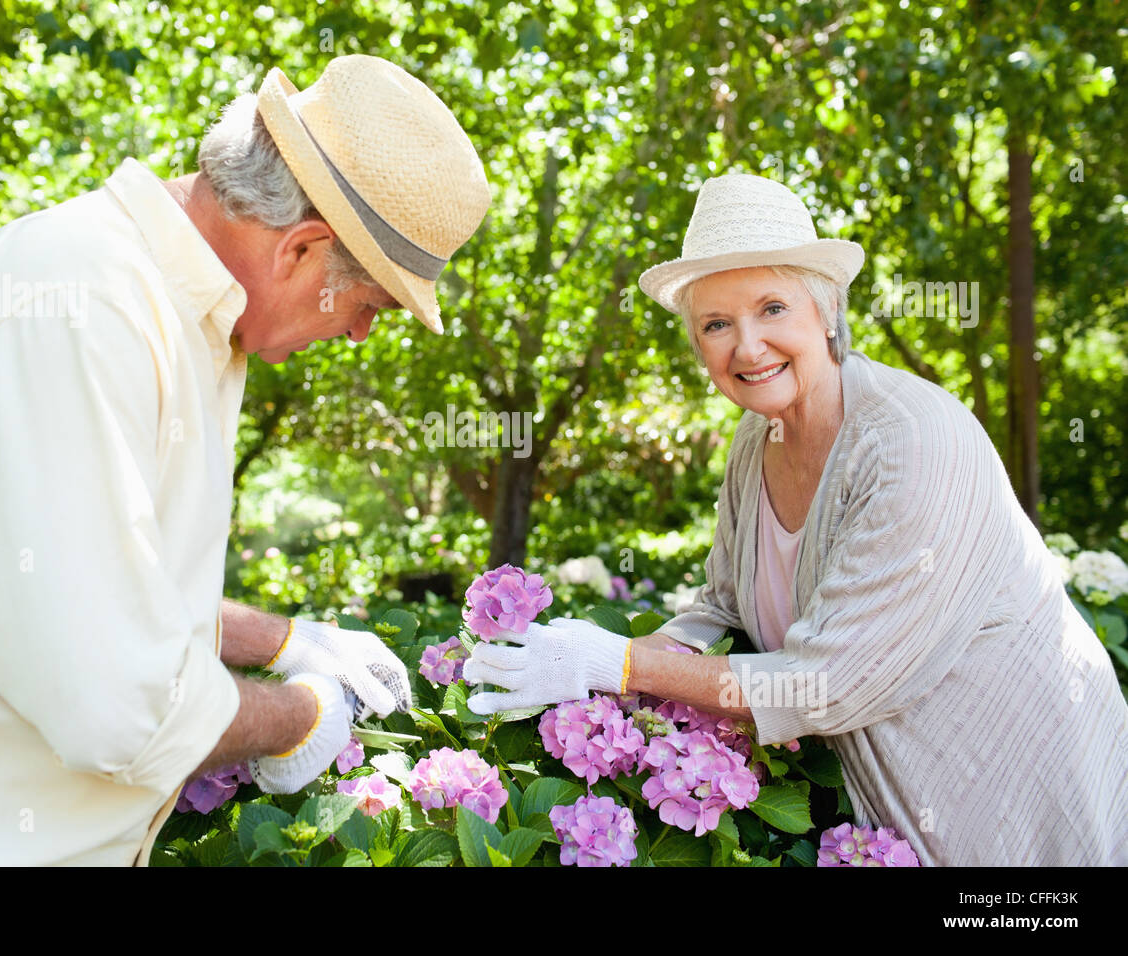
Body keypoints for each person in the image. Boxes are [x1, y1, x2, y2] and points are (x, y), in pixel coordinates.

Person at [0, 55, 491, 865]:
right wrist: (299, 716)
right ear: (302, 250)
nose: (357, 336)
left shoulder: (187, 321)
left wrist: (283, 639)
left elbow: (95, 584)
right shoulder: (80, 303)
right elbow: (111, 702)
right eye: (369, 307)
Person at [464, 172, 1128, 865]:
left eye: (772, 308)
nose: (746, 347)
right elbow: (720, 607)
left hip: (1013, 799)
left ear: (828, 310)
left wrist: (624, 662)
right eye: (716, 324)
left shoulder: (913, 441)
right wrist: (590, 674)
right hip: (886, 817)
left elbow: (828, 684)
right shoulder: (758, 441)